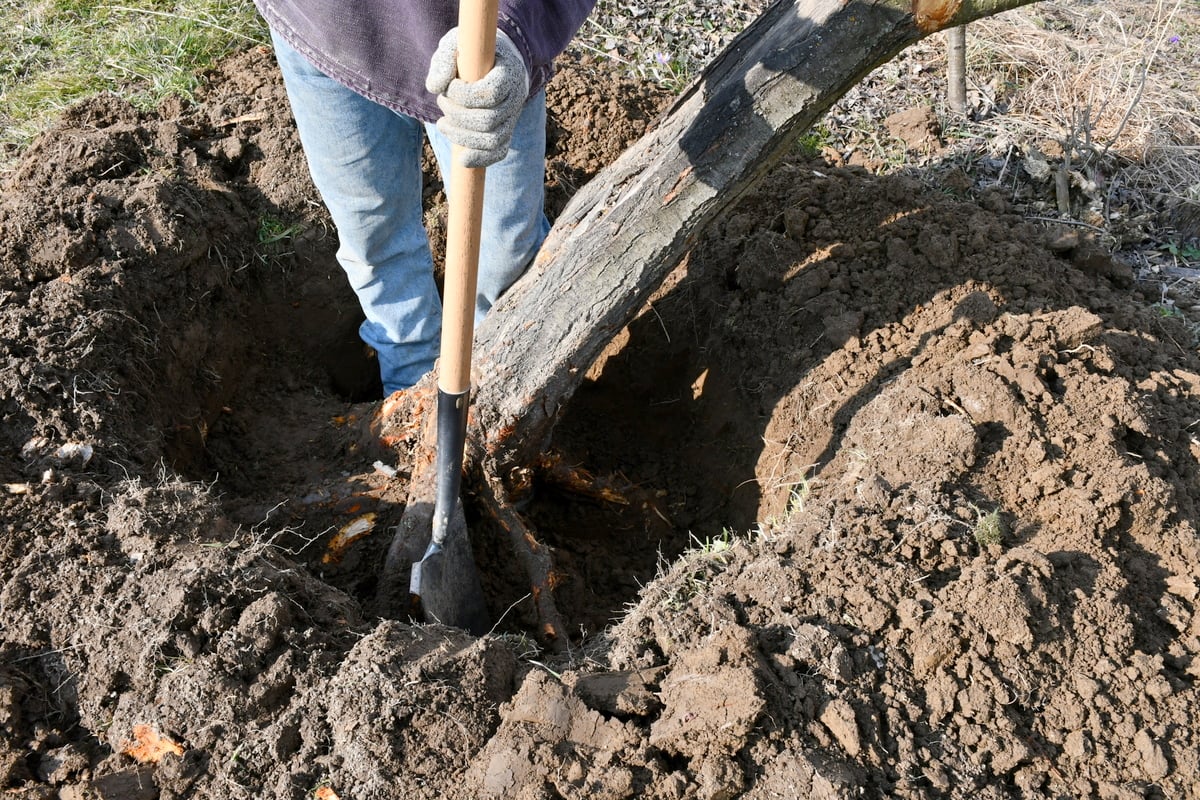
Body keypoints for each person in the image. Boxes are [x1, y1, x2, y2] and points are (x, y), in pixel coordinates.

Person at [254, 1, 596, 396]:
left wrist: (515, 30)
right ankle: (409, 392)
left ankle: (496, 387)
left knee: (504, 251)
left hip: (478, 53)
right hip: (326, 22)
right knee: (373, 241)